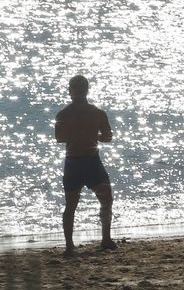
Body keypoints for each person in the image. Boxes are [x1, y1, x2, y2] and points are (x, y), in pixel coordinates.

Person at [55, 74, 117, 257]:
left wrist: (80, 134)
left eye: (70, 88)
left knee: (72, 205)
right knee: (105, 199)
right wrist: (91, 135)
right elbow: (107, 137)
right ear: (86, 90)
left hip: (75, 162)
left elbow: (59, 138)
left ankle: (70, 245)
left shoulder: (63, 114)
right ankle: (104, 239)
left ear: (71, 91)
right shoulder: (97, 113)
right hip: (89, 162)